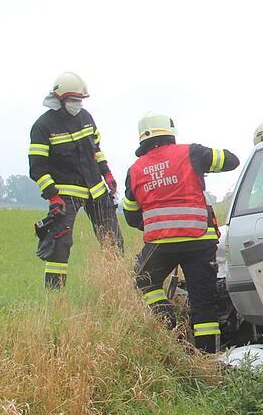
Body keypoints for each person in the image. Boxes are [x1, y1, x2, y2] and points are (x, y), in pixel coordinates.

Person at [122, 112, 239, 352]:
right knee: (203, 302)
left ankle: (169, 330)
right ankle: (209, 359)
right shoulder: (192, 153)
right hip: (199, 241)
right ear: (169, 133)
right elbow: (232, 160)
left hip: (160, 244)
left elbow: (131, 215)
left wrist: (159, 223)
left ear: (142, 139)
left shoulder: (135, 170)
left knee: (145, 282)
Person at [28, 72, 124, 289]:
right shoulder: (42, 127)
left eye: (80, 100)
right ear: (59, 99)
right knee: (60, 243)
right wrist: (52, 196)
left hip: (97, 190)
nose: (77, 104)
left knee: (113, 240)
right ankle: (55, 294)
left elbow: (96, 150)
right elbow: (37, 168)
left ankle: (118, 288)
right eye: (73, 100)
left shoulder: (86, 117)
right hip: (65, 195)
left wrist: (107, 173)